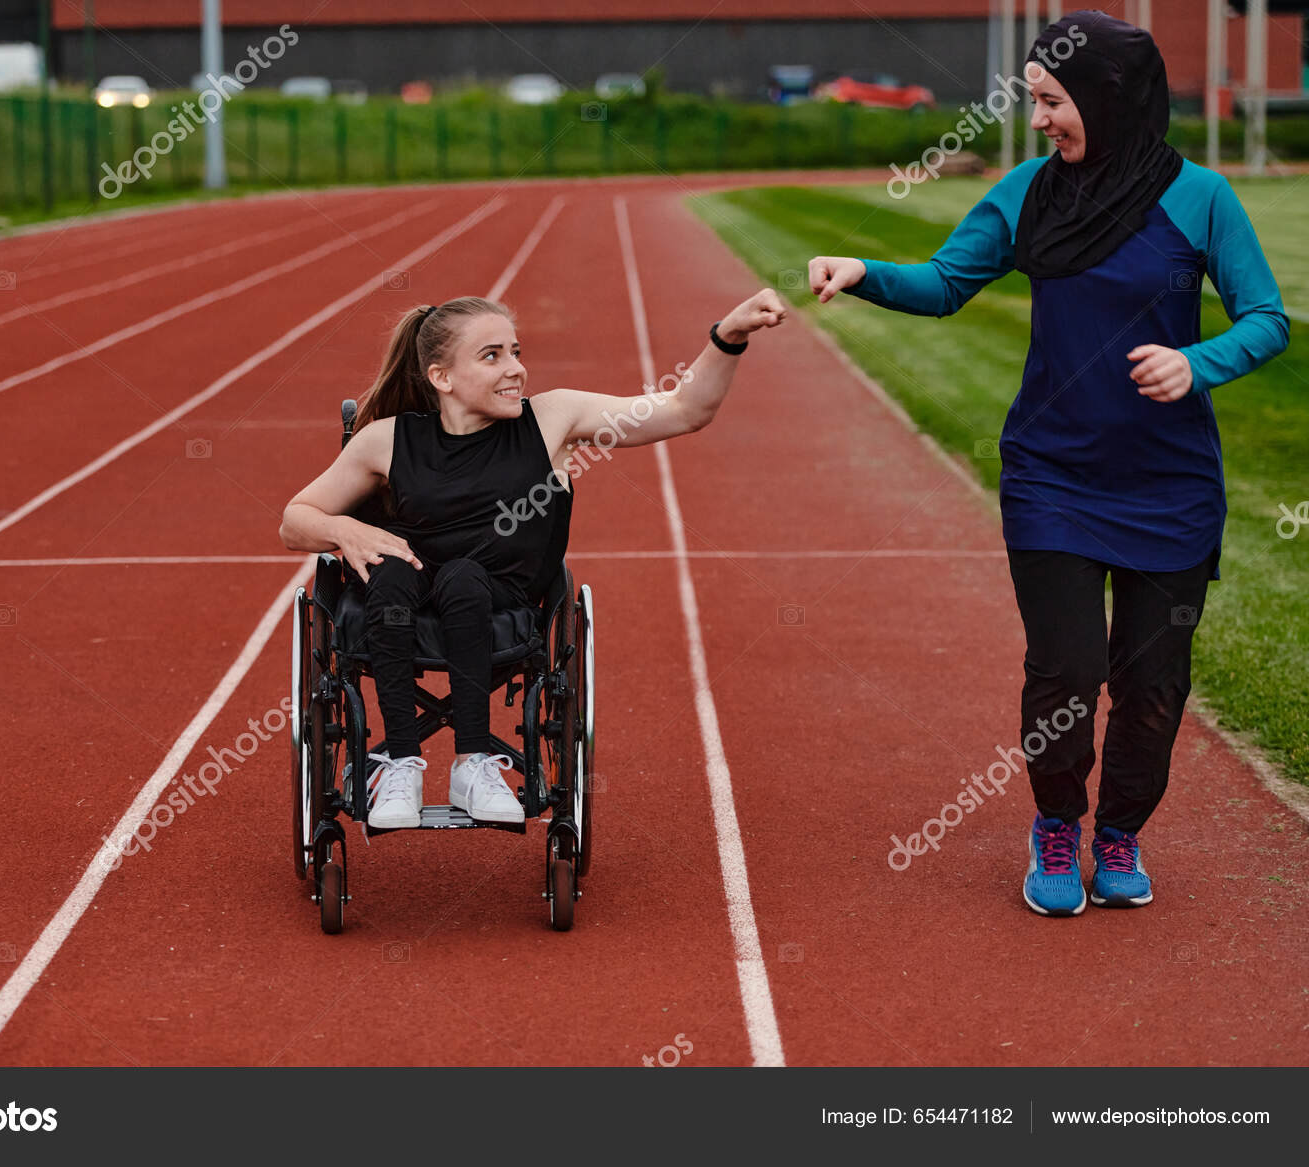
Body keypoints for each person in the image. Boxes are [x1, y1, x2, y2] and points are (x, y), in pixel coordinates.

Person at [808, 10, 1289, 916]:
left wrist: (1198, 363)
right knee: (1067, 670)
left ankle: (1120, 832)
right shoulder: (1028, 191)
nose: (1039, 119)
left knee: (1155, 684)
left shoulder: (1203, 198)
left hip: (1172, 487)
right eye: (1033, 100)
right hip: (1053, 475)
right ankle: (1058, 822)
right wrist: (864, 269)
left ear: (1110, 98)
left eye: (1053, 101)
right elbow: (948, 283)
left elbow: (1266, 318)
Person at [281, 289, 787, 827]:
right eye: (492, 355)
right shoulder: (387, 440)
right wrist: (344, 529)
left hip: (497, 595)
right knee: (389, 577)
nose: (516, 369)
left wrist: (728, 335)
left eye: (516, 351)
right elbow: (295, 521)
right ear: (442, 377)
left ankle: (473, 761)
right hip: (401, 598)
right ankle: (400, 761)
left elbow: (686, 411)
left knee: (465, 579)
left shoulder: (552, 419)